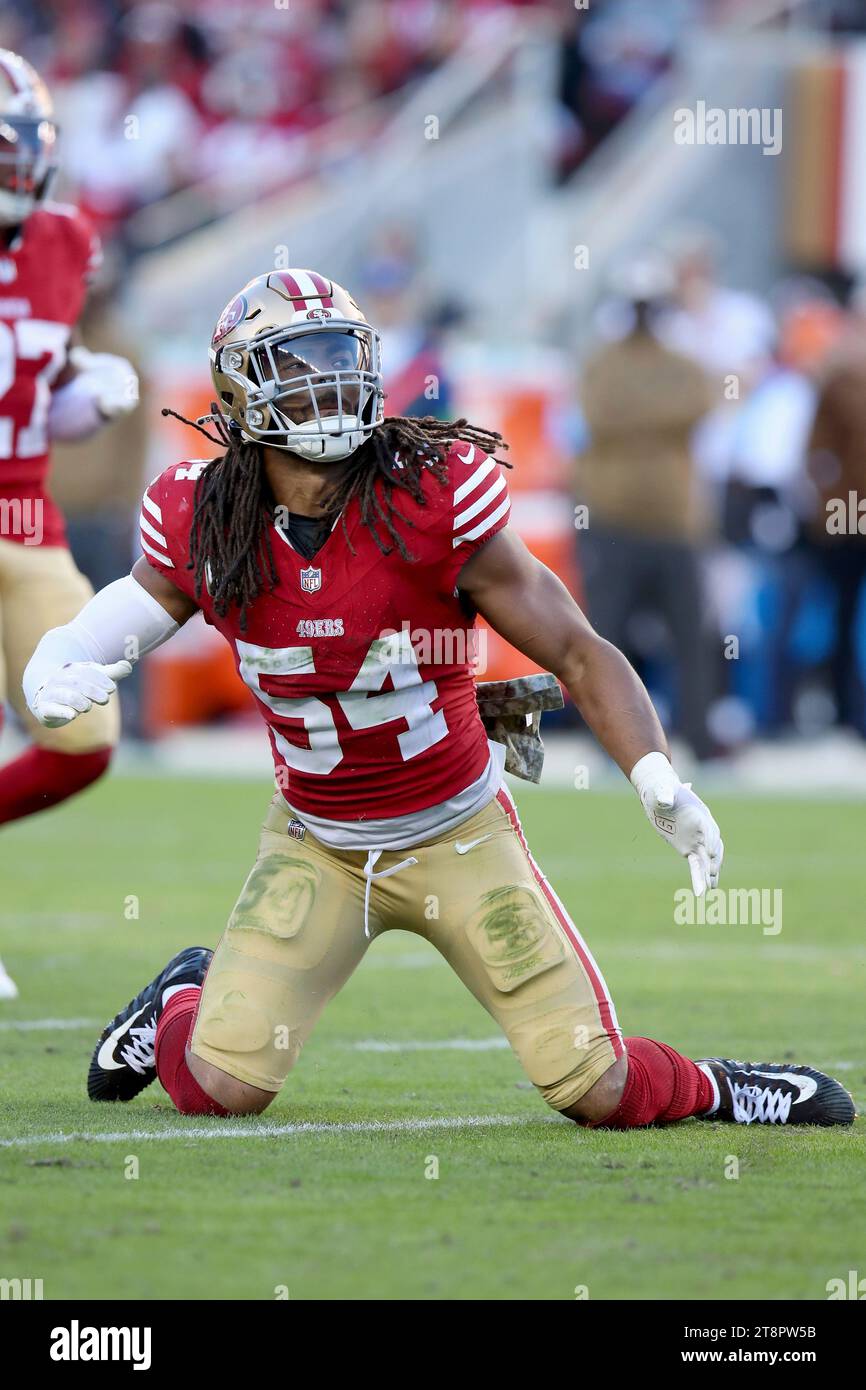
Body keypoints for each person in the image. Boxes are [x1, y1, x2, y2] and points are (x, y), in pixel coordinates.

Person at [24, 267, 852, 1128]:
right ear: (238, 391)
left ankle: (728, 1088)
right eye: (297, 366)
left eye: (339, 357)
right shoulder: (207, 517)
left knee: (594, 1089)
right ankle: (181, 996)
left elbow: (575, 647)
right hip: (318, 842)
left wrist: (654, 774)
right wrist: (69, 648)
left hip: (457, 830)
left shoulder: (429, 494)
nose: (329, 382)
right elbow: (139, 600)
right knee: (219, 1091)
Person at [0, 50, 138, 998]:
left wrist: (87, 392)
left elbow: (40, 387)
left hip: (26, 516)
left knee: (81, 741)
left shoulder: (63, 238)